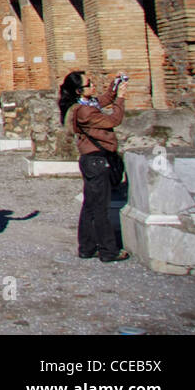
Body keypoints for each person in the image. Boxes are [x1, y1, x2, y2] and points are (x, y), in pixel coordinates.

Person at [60, 71, 130, 262]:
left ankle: (87, 247)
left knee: (90, 205)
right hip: (97, 161)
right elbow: (113, 120)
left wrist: (114, 87)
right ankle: (109, 250)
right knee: (101, 207)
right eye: (89, 84)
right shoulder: (84, 111)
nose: (93, 87)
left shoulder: (85, 104)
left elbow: (105, 99)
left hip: (91, 161)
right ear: (78, 90)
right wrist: (121, 99)